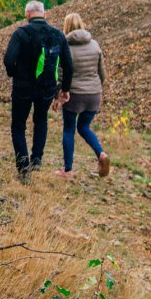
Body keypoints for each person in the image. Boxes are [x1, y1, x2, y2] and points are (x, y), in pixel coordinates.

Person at [2, 0, 72, 181]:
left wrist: (15, 74)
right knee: (41, 120)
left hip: (23, 87)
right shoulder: (58, 35)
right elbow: (69, 65)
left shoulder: (21, 33)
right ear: (44, 13)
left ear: (27, 15)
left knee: (18, 125)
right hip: (47, 87)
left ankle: (23, 168)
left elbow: (9, 60)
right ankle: (37, 159)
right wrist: (64, 89)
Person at [58, 13, 109, 178]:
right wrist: (96, 86)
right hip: (94, 94)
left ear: (66, 27)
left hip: (74, 95)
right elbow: (103, 74)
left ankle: (67, 170)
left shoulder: (65, 46)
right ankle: (101, 154)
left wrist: (58, 93)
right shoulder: (94, 44)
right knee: (84, 127)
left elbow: (61, 74)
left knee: (69, 129)